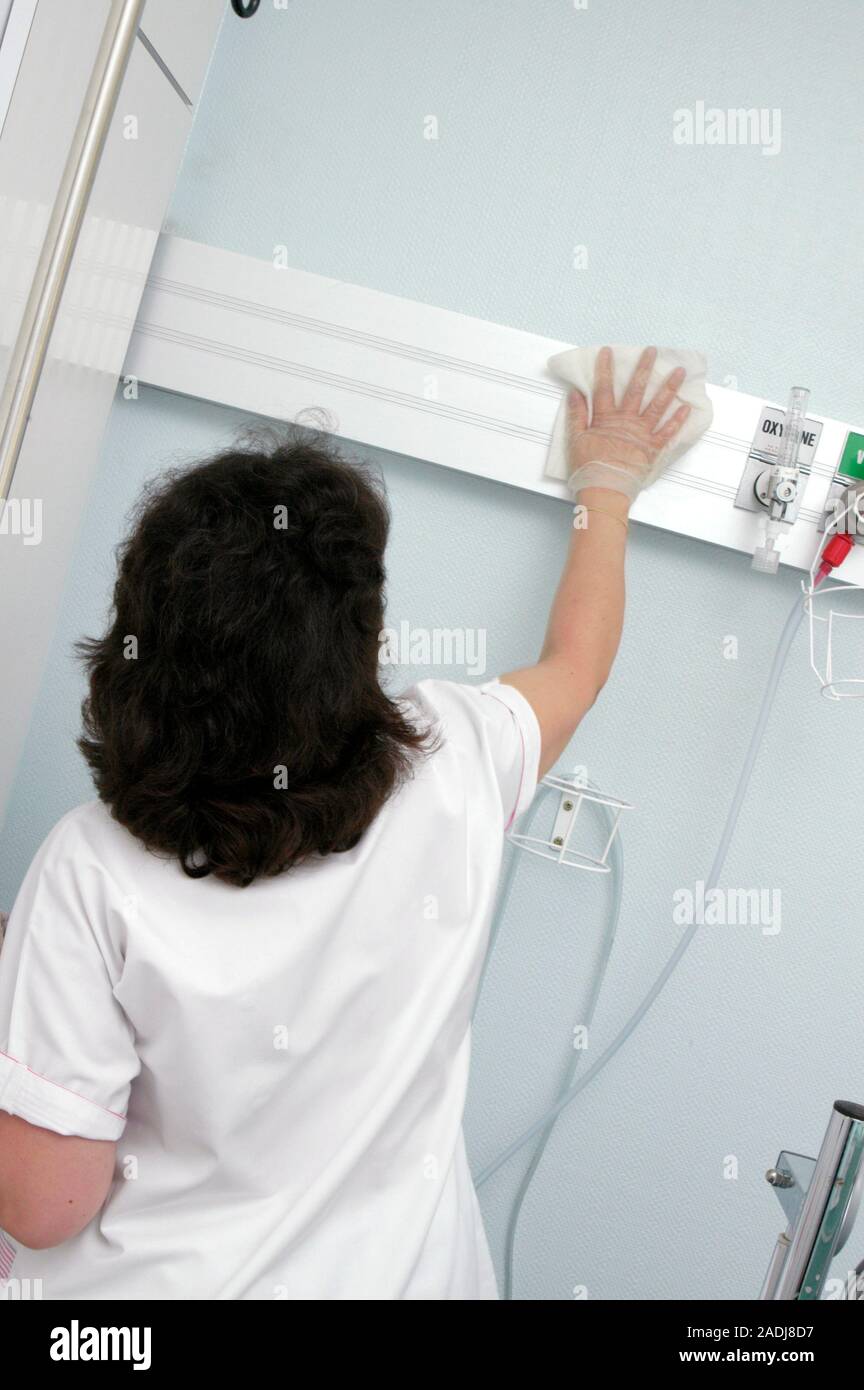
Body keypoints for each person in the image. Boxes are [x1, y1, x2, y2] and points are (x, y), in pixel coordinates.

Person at [0, 348, 689, 1300]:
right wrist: (606, 485)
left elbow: (45, 1208)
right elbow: (580, 662)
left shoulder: (90, 868)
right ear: (357, 643)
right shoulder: (453, 761)